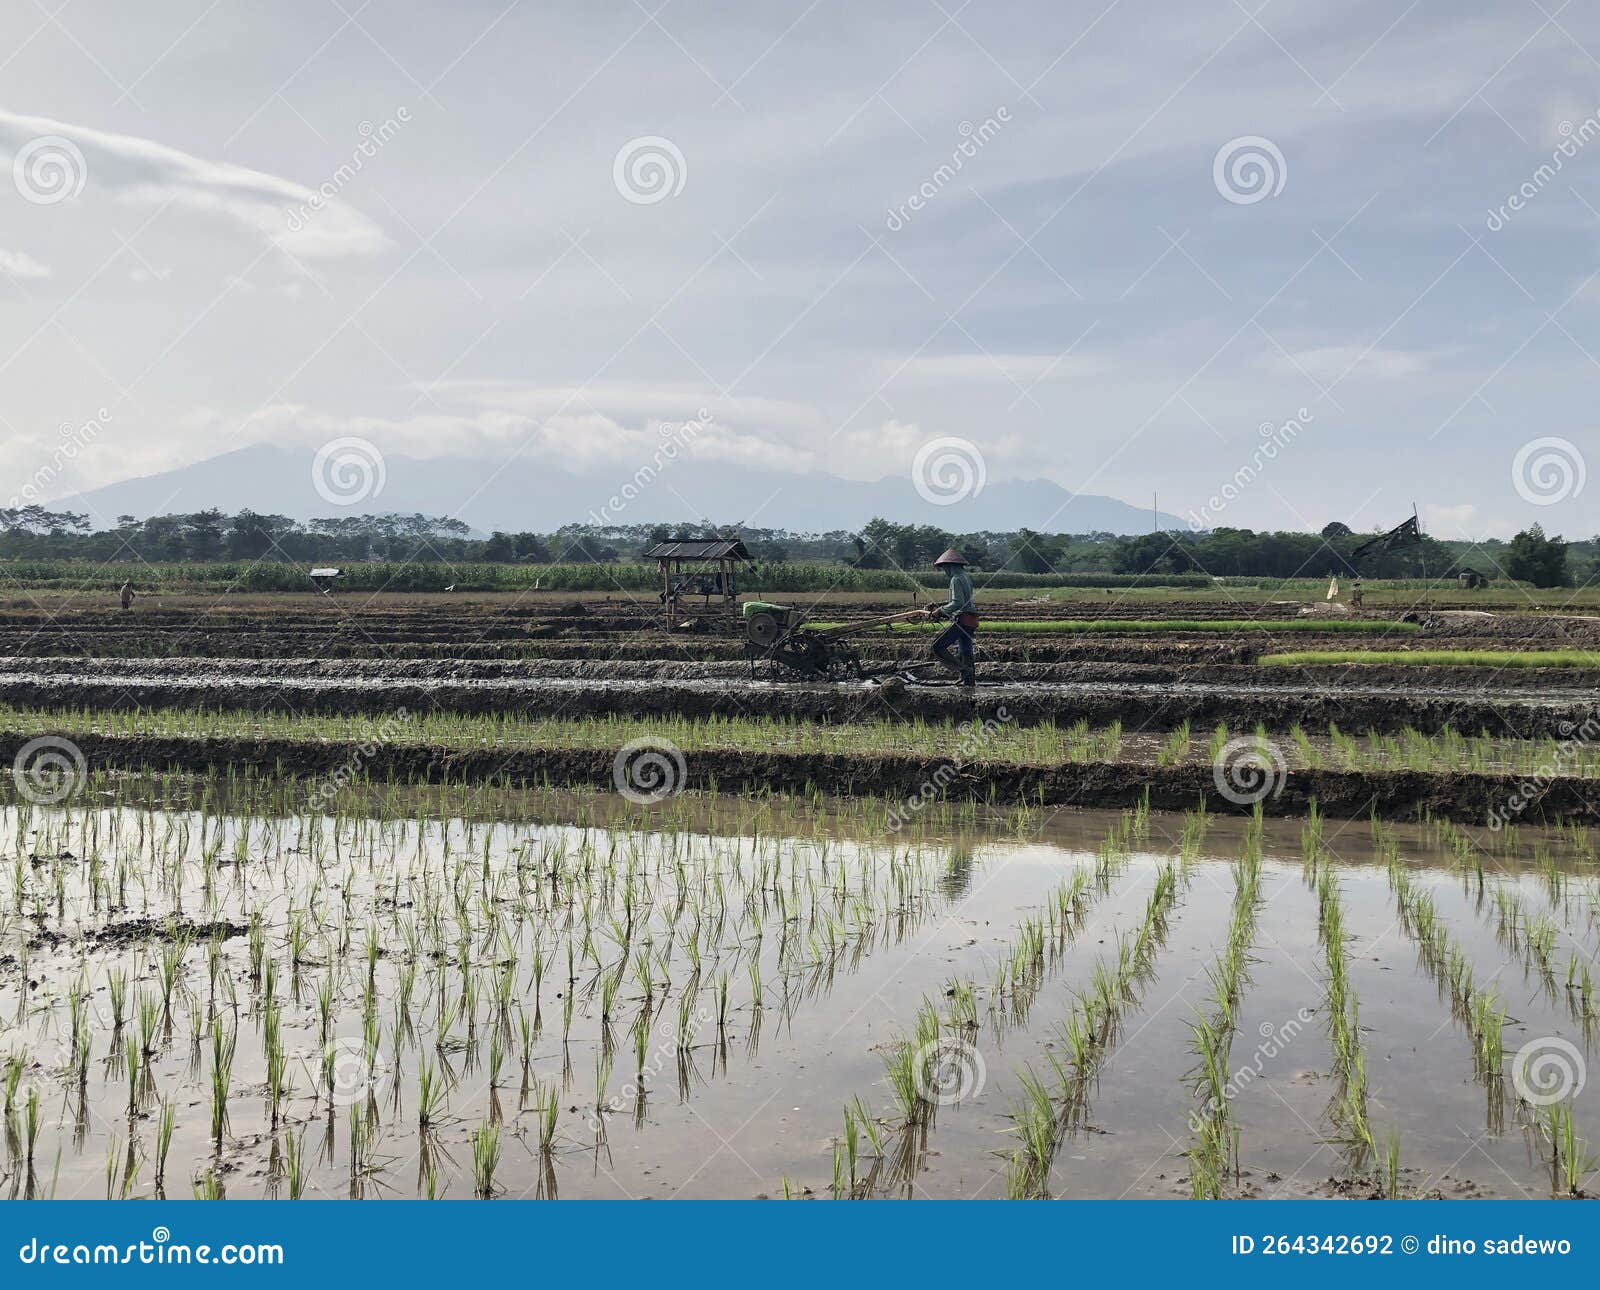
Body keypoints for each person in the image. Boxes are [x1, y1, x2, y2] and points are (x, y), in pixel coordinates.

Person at [923, 548, 977, 686]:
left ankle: (964, 670)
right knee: (965, 650)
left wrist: (939, 611)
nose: (944, 571)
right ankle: (969, 683)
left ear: (949, 566)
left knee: (937, 647)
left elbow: (958, 603)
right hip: (971, 619)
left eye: (944, 568)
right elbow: (962, 600)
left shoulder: (955, 579)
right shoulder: (965, 577)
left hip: (962, 619)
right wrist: (939, 605)